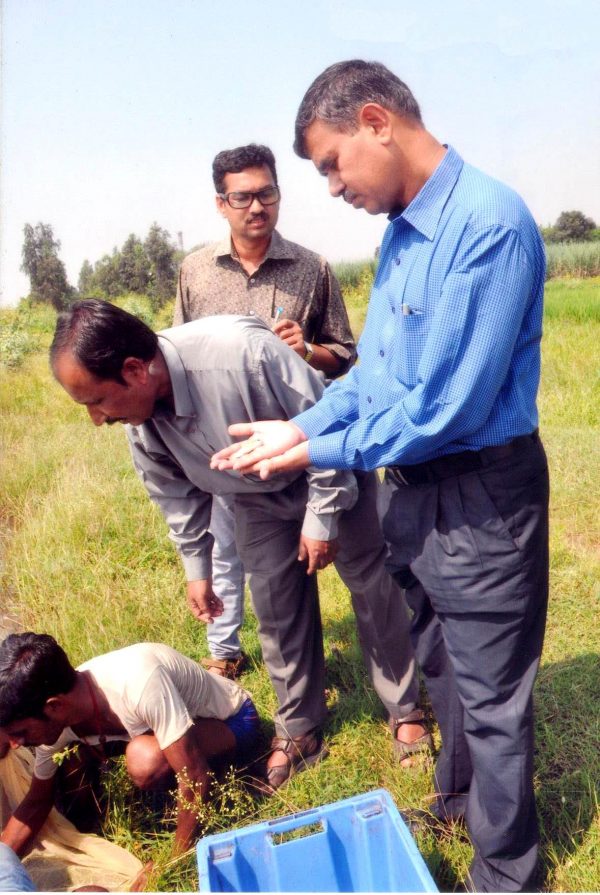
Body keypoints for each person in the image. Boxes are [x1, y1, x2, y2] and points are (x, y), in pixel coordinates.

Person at [211, 60, 550, 892]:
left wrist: (315, 452)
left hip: (479, 493)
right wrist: (302, 422)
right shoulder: (402, 233)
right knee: (442, 666)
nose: (328, 187)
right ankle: (461, 798)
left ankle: (507, 872)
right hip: (413, 494)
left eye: (330, 163)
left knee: (495, 699)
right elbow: (373, 377)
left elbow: (448, 408)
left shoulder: (488, 224)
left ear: (375, 121)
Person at [49, 300, 429, 792]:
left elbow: (330, 424)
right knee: (275, 608)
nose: (97, 419)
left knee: (371, 589)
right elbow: (176, 494)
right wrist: (197, 568)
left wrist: (321, 517)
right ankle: (299, 729)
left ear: (134, 370)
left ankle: (405, 711)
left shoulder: (242, 354)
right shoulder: (140, 420)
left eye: (96, 402)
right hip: (254, 499)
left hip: (333, 471)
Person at [174, 143, 356, 678]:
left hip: (302, 439)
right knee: (223, 544)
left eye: (267, 194)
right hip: (224, 440)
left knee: (333, 545)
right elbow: (177, 352)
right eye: (243, 197)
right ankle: (223, 649)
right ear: (220, 203)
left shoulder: (312, 268)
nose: (257, 207)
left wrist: (307, 350)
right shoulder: (195, 272)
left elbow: (343, 355)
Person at [0, 633, 259, 858]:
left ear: (54, 706)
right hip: (155, 735)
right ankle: (91, 820)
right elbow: (36, 802)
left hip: (231, 721)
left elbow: (194, 776)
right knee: (67, 762)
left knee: (146, 760)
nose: (16, 743)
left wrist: (170, 863)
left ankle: (213, 788)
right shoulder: (59, 715)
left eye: (20, 732)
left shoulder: (138, 681)